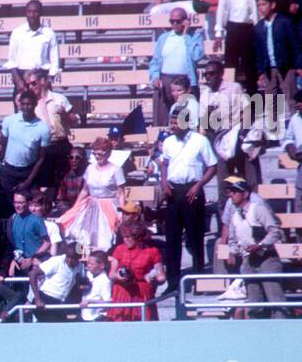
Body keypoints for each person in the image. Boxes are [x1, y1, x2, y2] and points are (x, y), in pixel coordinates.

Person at [159, 102, 218, 289]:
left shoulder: (200, 141)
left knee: (195, 237)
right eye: (171, 122)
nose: (172, 125)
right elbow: (164, 163)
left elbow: (212, 167)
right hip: (173, 192)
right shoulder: (168, 142)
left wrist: (199, 185)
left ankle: (199, 279)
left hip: (193, 191)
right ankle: (173, 282)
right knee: (172, 239)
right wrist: (163, 180)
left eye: (175, 122)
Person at [219, 175, 285, 317]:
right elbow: (232, 239)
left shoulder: (258, 209)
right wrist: (233, 251)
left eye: (234, 191)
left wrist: (260, 245)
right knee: (255, 303)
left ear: (245, 193)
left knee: (275, 300)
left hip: (266, 259)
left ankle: (283, 330)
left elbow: (275, 231)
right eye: (229, 191)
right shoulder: (235, 215)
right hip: (248, 261)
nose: (231, 194)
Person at [57, 137, 125, 253]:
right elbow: (84, 190)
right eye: (94, 154)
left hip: (108, 204)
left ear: (108, 153)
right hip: (90, 203)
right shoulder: (90, 168)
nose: (97, 156)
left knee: (103, 236)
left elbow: (121, 193)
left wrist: (122, 212)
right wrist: (75, 209)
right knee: (80, 232)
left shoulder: (116, 170)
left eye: (100, 154)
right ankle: (83, 257)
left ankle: (101, 259)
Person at [252, 0, 300, 136]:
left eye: (264, 4)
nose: (261, 8)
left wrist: (299, 66)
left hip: (286, 67)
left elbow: (295, 44)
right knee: (270, 100)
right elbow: (258, 51)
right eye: (258, 5)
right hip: (268, 69)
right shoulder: (259, 27)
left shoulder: (284, 21)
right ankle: (273, 132)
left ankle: (297, 129)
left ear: (272, 5)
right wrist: (260, 71)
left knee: (291, 98)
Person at [149, 8, 204, 128]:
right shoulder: (163, 38)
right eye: (172, 21)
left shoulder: (195, 36)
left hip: (185, 81)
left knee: (187, 116)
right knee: (163, 119)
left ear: (185, 21)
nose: (174, 24)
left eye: (178, 21)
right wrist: (155, 77)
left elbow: (197, 56)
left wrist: (186, 35)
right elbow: (155, 61)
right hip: (165, 80)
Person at [214, 0, 261, 95]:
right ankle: (229, 99)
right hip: (232, 28)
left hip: (249, 29)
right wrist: (219, 32)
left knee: (249, 67)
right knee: (230, 66)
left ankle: (253, 105)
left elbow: (257, 12)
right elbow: (222, 9)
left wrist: (258, 33)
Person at [0, 90, 49, 200]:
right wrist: (1, 165)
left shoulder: (43, 128)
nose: (26, 107)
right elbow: (3, 143)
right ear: (19, 104)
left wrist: (27, 181)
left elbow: (41, 158)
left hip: (27, 171)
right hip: (8, 170)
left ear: (35, 104)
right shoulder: (9, 121)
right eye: (23, 104)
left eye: (29, 104)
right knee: (8, 205)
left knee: (26, 204)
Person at [108, 220, 165, 321]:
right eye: (124, 237)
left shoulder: (152, 251)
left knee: (143, 325)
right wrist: (118, 276)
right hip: (122, 293)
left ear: (138, 237)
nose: (125, 240)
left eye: (128, 237)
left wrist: (153, 278)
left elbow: (161, 277)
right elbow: (111, 274)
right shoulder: (119, 249)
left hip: (142, 293)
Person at [2, 0, 60, 91]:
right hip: (22, 78)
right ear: (26, 13)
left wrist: (48, 81)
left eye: (35, 12)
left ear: (41, 13)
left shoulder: (49, 34)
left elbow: (55, 62)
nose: (32, 15)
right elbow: (12, 61)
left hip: (42, 78)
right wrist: (18, 81)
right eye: (29, 12)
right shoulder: (17, 33)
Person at [28, 241, 88, 321]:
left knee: (62, 326)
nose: (70, 260)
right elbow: (32, 274)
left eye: (73, 258)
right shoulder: (56, 261)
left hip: (59, 303)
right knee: (56, 326)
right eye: (68, 257)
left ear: (79, 257)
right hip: (45, 300)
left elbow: (83, 282)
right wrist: (38, 299)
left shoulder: (80, 267)